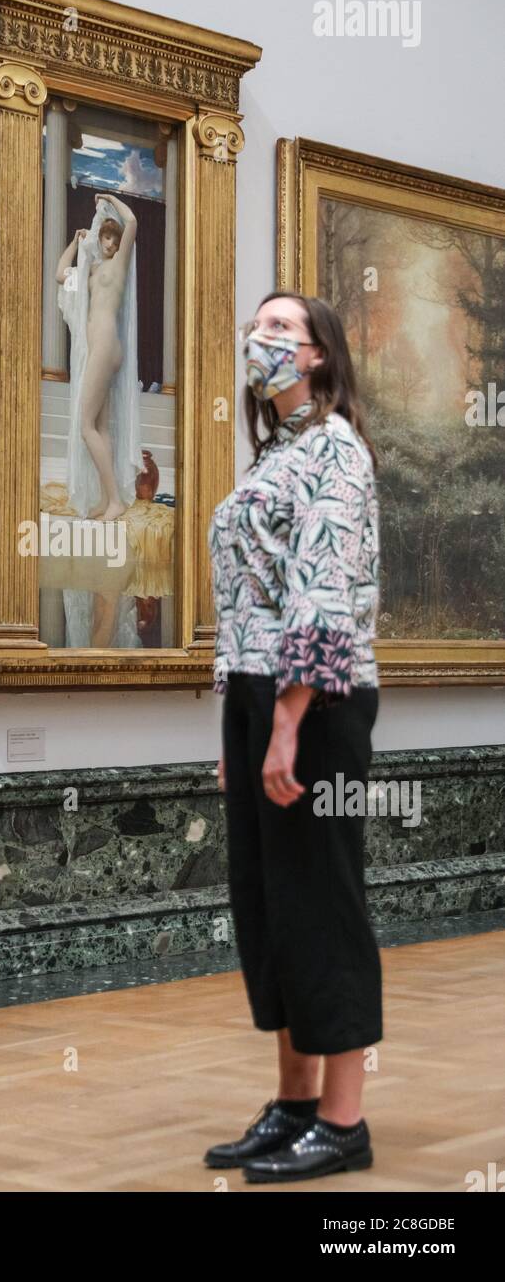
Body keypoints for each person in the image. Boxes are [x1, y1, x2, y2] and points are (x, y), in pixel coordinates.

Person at [203, 291, 382, 1184]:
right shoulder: (276, 455)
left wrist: (284, 724)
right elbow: (246, 606)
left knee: (322, 901)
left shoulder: (337, 453)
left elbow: (319, 597)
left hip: (316, 703)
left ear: (317, 357)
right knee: (268, 909)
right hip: (259, 698)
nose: (260, 339)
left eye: (281, 330)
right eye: (258, 326)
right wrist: (236, 727)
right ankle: (295, 1104)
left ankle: (344, 1121)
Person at [55, 194, 143, 521]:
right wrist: (75, 242)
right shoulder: (91, 272)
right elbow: (61, 274)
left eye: (113, 238)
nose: (108, 243)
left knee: (85, 425)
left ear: (119, 244)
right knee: (101, 427)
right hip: (102, 348)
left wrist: (108, 198)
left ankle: (116, 500)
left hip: (106, 345)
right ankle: (109, 502)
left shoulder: (119, 264)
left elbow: (132, 220)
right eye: (104, 237)